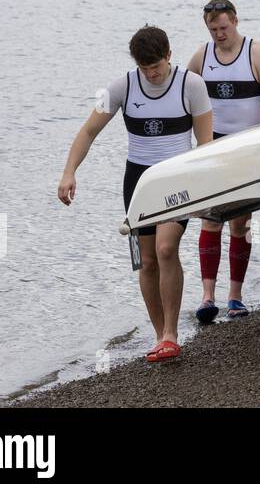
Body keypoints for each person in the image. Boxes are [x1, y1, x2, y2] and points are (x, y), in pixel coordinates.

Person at [58, 26, 213, 362]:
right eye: (145, 68)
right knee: (146, 260)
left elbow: (206, 146)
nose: (152, 74)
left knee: (166, 247)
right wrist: (69, 172)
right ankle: (160, 336)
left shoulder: (192, 85)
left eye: (156, 66)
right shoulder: (121, 86)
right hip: (138, 181)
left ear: (169, 56)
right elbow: (88, 131)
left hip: (178, 177)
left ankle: (172, 333)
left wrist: (207, 192)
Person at [185, 0, 260, 322]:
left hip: (249, 149)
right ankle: (207, 296)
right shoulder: (202, 56)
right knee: (210, 218)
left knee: (241, 223)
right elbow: (183, 99)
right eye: (213, 29)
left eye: (224, 28)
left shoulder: (259, 54)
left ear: (236, 21)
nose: (219, 34)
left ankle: (236, 296)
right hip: (213, 148)